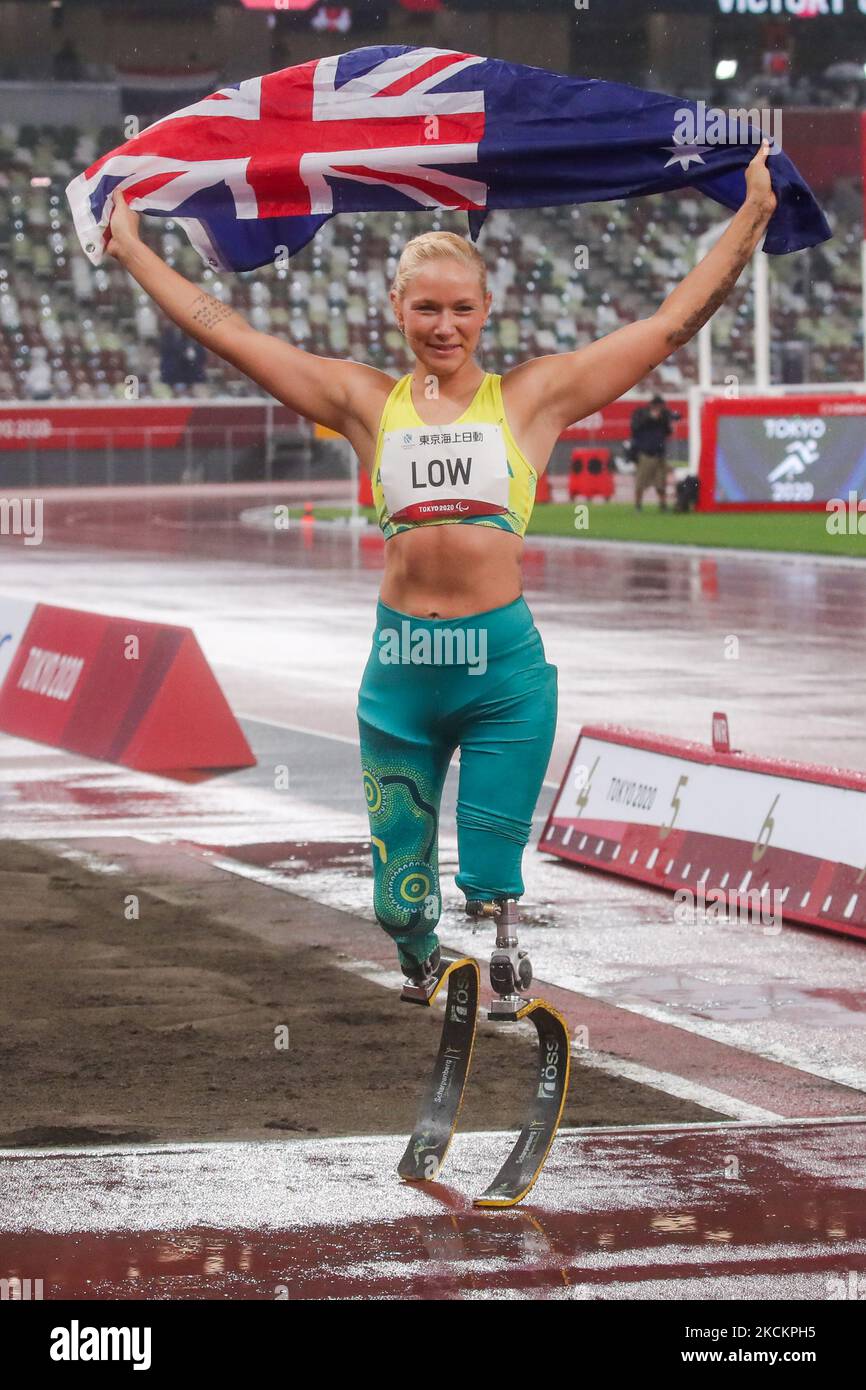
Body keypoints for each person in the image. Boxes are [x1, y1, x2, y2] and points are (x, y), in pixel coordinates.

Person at [105, 141, 778, 990]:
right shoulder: (362, 402)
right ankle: (421, 957)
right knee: (397, 901)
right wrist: (133, 249)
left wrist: (752, 214)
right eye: (426, 308)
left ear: (488, 307)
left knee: (493, 878)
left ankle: (504, 952)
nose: (445, 326)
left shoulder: (534, 398)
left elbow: (667, 325)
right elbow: (227, 332)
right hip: (401, 680)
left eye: (462, 308)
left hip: (502, 680)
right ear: (397, 307)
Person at [630, 393, 682, 511]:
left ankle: (662, 504)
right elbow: (635, 427)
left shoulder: (663, 417)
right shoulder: (641, 414)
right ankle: (638, 505)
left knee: (661, 482)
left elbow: (669, 428)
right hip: (646, 454)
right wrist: (650, 418)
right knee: (641, 482)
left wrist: (665, 420)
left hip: (659, 454)